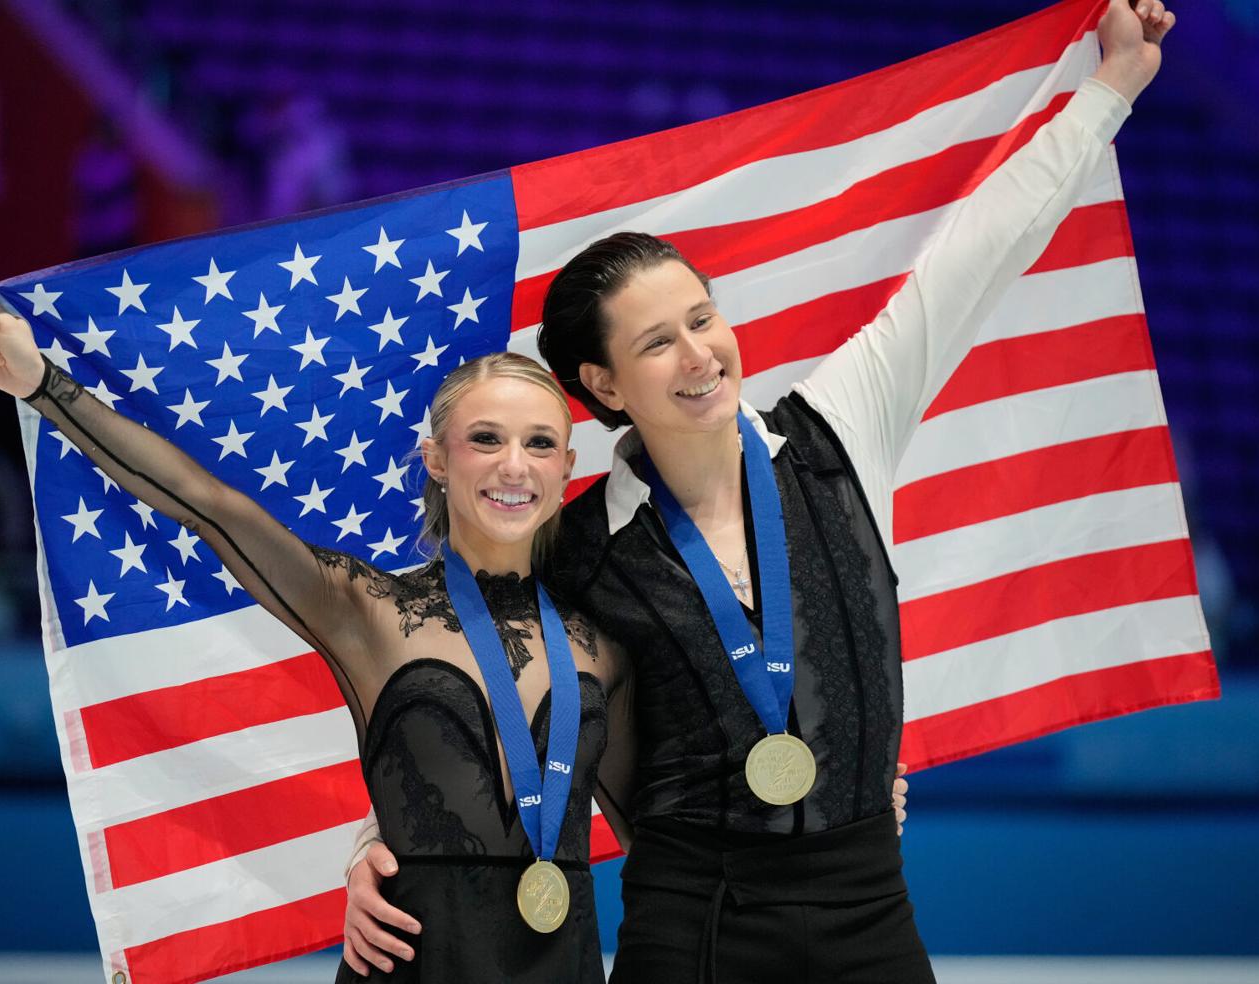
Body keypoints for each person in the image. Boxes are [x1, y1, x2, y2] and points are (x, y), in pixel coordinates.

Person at [341, 0, 1177, 980]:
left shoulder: (842, 426)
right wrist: (370, 849)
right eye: (659, 342)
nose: (702, 355)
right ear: (604, 387)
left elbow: (978, 254)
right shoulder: (572, 551)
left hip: (871, 912)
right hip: (693, 928)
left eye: (703, 318)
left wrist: (1113, 84)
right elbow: (464, 694)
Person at [0, 297, 634, 983]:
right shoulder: (366, 610)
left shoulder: (604, 641)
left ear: (568, 466)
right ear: (434, 458)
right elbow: (208, 505)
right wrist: (44, 384)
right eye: (486, 438)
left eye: (539, 443)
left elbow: (667, 833)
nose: (514, 465)